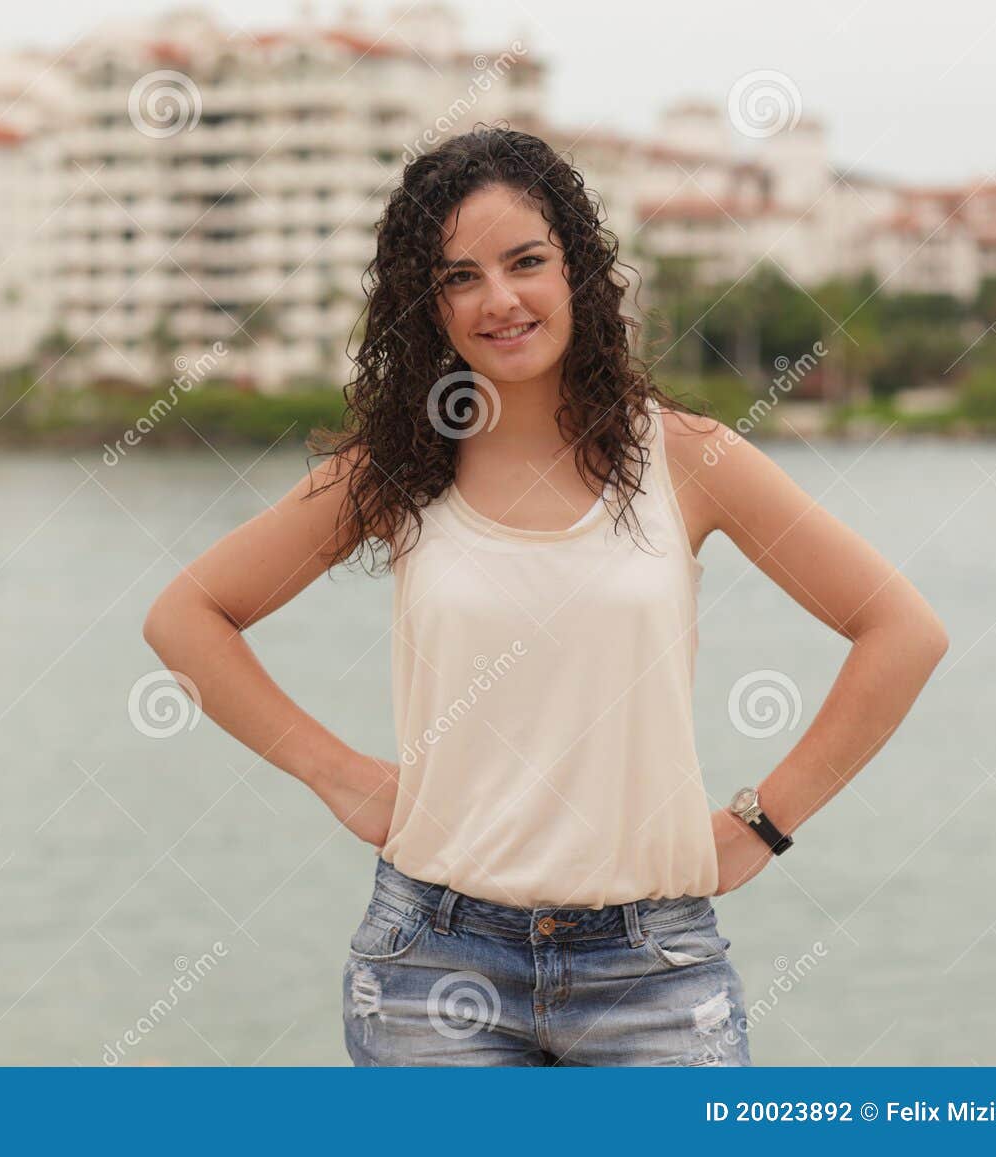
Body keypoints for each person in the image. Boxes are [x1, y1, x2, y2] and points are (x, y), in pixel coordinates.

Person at [141, 126, 948, 1066]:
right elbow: (186, 617)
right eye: (459, 277)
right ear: (426, 304)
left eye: (526, 261)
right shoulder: (394, 471)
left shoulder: (688, 459)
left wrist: (765, 821)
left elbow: (901, 631)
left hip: (654, 968)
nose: (501, 299)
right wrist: (337, 773)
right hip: (431, 967)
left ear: (577, 271)